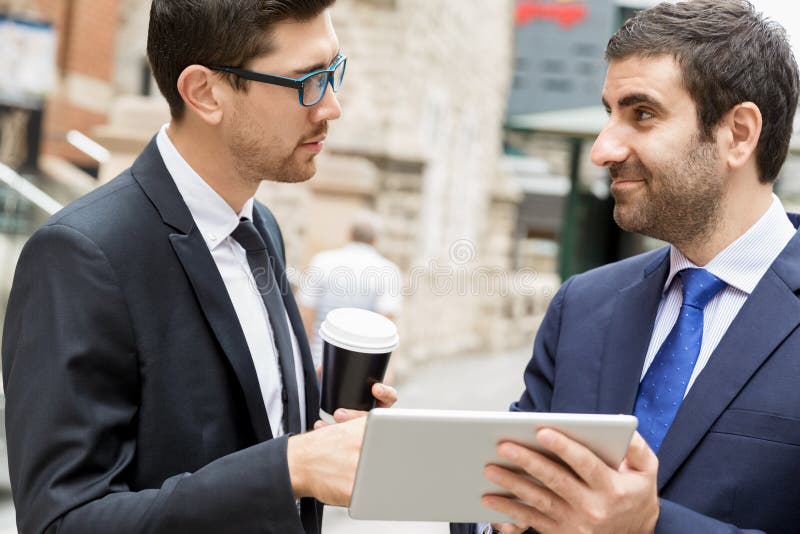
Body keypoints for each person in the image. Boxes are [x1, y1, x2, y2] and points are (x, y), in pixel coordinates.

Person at [1, 1, 397, 533]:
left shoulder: (263, 229)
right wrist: (288, 469)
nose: (331, 105)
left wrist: (316, 421)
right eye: (305, 80)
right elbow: (62, 521)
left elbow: (241, 422)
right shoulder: (81, 255)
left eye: (333, 71)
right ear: (204, 92)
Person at [454, 1, 800, 533]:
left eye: (642, 114)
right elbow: (504, 490)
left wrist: (649, 527)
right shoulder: (582, 305)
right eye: (608, 113)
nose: (603, 148)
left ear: (738, 133)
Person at [298, 210, 402, 369]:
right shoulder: (388, 271)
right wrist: (386, 370)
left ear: (350, 234)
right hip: (361, 365)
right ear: (375, 239)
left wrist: (303, 360)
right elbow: (386, 323)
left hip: (319, 359)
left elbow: (306, 313)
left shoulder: (322, 261)